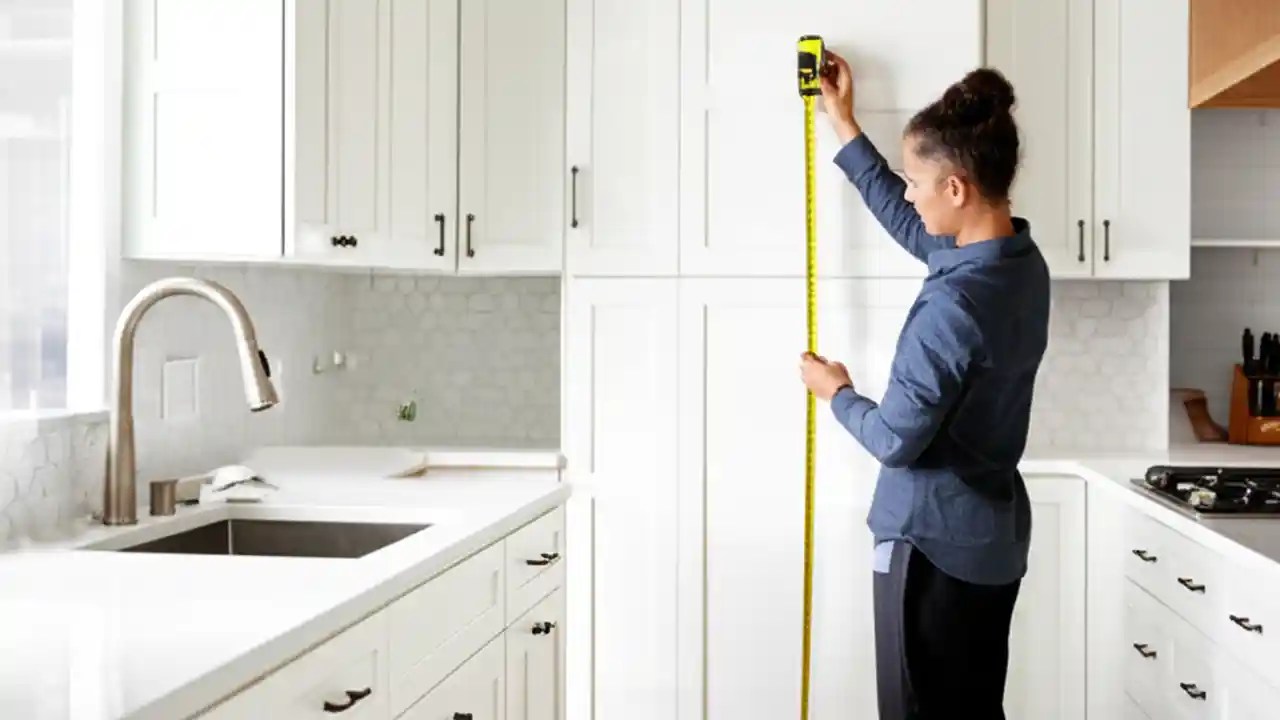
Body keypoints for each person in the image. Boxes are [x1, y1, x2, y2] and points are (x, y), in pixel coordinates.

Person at [798, 50, 1050, 720]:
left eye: (917, 180)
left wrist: (836, 392)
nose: (908, 191)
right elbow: (915, 226)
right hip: (991, 542)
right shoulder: (1020, 264)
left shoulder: (952, 309)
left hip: (931, 546)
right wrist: (844, 126)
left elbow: (895, 440)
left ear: (957, 189)